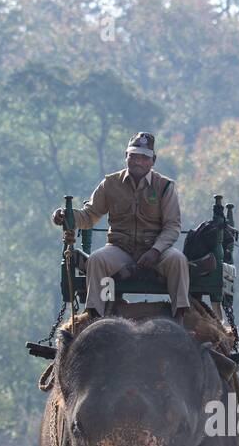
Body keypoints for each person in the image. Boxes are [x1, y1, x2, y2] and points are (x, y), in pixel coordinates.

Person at [53, 132, 190, 321]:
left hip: (155, 251)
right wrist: (66, 216)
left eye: (144, 157)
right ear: (126, 156)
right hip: (120, 249)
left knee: (178, 260)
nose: (138, 162)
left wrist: (156, 251)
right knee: (96, 260)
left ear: (153, 160)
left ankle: (180, 317)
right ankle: (95, 317)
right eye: (133, 156)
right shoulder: (110, 184)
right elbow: (89, 216)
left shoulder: (165, 187)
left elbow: (172, 226)